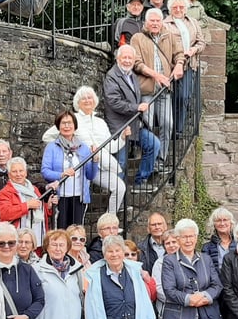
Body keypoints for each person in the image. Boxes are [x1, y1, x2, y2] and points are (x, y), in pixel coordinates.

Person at [43, 86, 127, 215]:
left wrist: (122, 137)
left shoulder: (100, 122)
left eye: (90, 97)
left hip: (99, 165)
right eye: (84, 98)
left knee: (120, 187)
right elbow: (47, 137)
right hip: (80, 167)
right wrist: (65, 149)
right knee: (80, 202)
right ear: (78, 102)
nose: (88, 100)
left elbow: (111, 147)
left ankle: (108, 220)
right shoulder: (72, 119)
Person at [102, 44, 160, 193]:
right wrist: (136, 107)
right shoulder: (112, 76)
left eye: (130, 58)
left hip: (134, 124)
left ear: (134, 60)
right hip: (120, 127)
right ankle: (119, 197)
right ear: (117, 58)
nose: (127, 60)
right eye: (124, 57)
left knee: (154, 144)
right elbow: (113, 102)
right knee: (120, 163)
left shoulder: (132, 76)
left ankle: (140, 181)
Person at [131, 9, 183, 170]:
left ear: (162, 22)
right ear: (146, 22)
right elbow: (136, 63)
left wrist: (180, 64)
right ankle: (147, 159)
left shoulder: (170, 37)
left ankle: (160, 160)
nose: (154, 23)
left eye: (157, 20)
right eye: (151, 20)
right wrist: (157, 76)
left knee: (167, 124)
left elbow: (179, 54)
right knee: (146, 125)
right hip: (146, 90)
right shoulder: (137, 38)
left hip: (164, 90)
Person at [41, 110, 98, 229]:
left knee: (76, 231)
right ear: (58, 126)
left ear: (75, 126)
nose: (67, 126)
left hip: (79, 197)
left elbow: (90, 175)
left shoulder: (83, 148)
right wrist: (61, 174)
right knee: (60, 230)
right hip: (60, 197)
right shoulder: (51, 147)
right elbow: (45, 171)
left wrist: (95, 161)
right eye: (63, 123)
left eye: (69, 123)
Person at [165, 0, 206, 136]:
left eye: (181, 7)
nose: (178, 9)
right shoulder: (165, 24)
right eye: (175, 7)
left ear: (186, 8)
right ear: (170, 9)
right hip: (172, 65)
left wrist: (194, 49)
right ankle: (172, 129)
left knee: (184, 96)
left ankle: (178, 129)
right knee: (173, 96)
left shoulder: (193, 22)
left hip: (189, 64)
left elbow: (202, 42)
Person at [0, 157, 50, 246]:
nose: (18, 174)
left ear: (25, 173)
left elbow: (39, 209)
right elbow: (4, 214)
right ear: (9, 175)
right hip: (18, 238)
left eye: (21, 171)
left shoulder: (34, 189)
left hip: (38, 234)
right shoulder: (5, 193)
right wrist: (27, 206)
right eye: (14, 171)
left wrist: (48, 206)